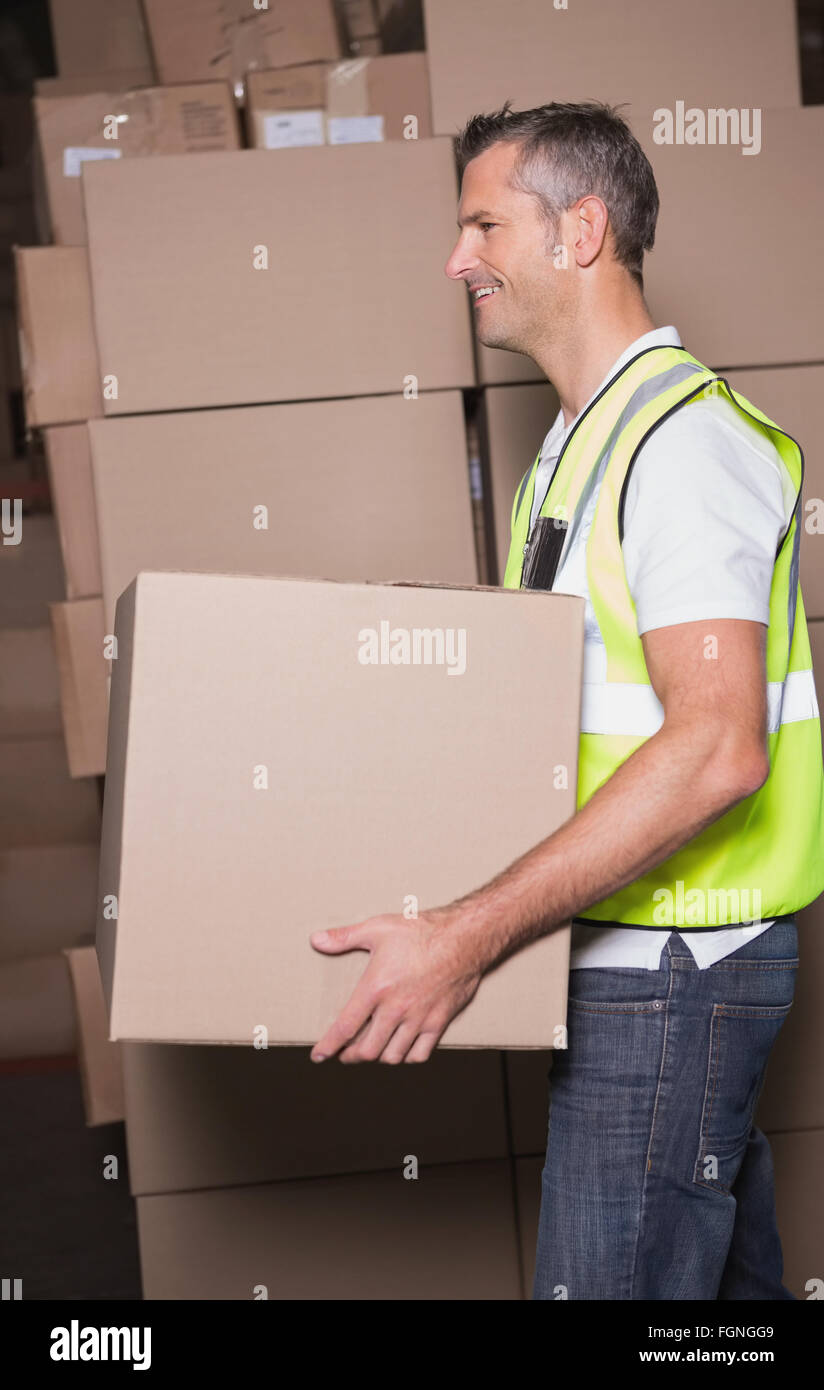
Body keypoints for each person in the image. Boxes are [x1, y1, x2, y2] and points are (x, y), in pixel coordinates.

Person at [309, 101, 824, 1300]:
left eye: (483, 223)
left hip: (671, 962)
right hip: (634, 956)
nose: (456, 259)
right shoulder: (573, 446)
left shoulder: (676, 447)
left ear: (580, 229)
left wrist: (466, 933)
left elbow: (715, 750)